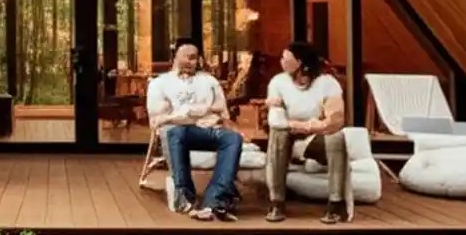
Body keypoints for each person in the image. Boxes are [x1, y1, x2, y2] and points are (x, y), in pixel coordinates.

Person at [146, 37, 244, 222]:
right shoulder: (160, 83)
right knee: (175, 131)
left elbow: (222, 112)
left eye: (195, 57)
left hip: (207, 129)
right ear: (175, 56)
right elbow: (159, 119)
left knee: (232, 138)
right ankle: (185, 196)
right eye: (187, 57)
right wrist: (200, 111)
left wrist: (187, 114)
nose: (192, 61)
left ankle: (215, 200)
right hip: (177, 131)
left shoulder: (209, 81)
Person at [264, 41, 349, 224]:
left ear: (300, 62)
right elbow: (276, 121)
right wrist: (309, 124)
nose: (281, 62)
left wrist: (308, 127)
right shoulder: (278, 82)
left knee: (336, 137)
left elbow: (335, 121)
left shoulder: (327, 83)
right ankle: (276, 201)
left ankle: (335, 204)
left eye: (285, 58)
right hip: (290, 134)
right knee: (277, 134)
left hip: (317, 137)